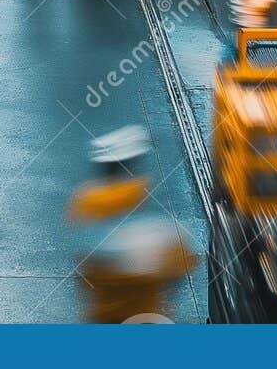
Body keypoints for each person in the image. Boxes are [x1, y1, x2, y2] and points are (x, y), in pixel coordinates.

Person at [68, 126, 196, 323]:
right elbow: (180, 267)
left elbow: (83, 268)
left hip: (104, 315)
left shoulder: (85, 201)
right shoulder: (145, 197)